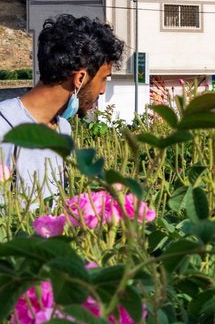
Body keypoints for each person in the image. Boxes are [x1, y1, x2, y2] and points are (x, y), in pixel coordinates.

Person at [0, 14, 124, 200]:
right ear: (80, 78)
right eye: (103, 79)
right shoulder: (4, 127)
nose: (102, 91)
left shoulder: (62, 128)